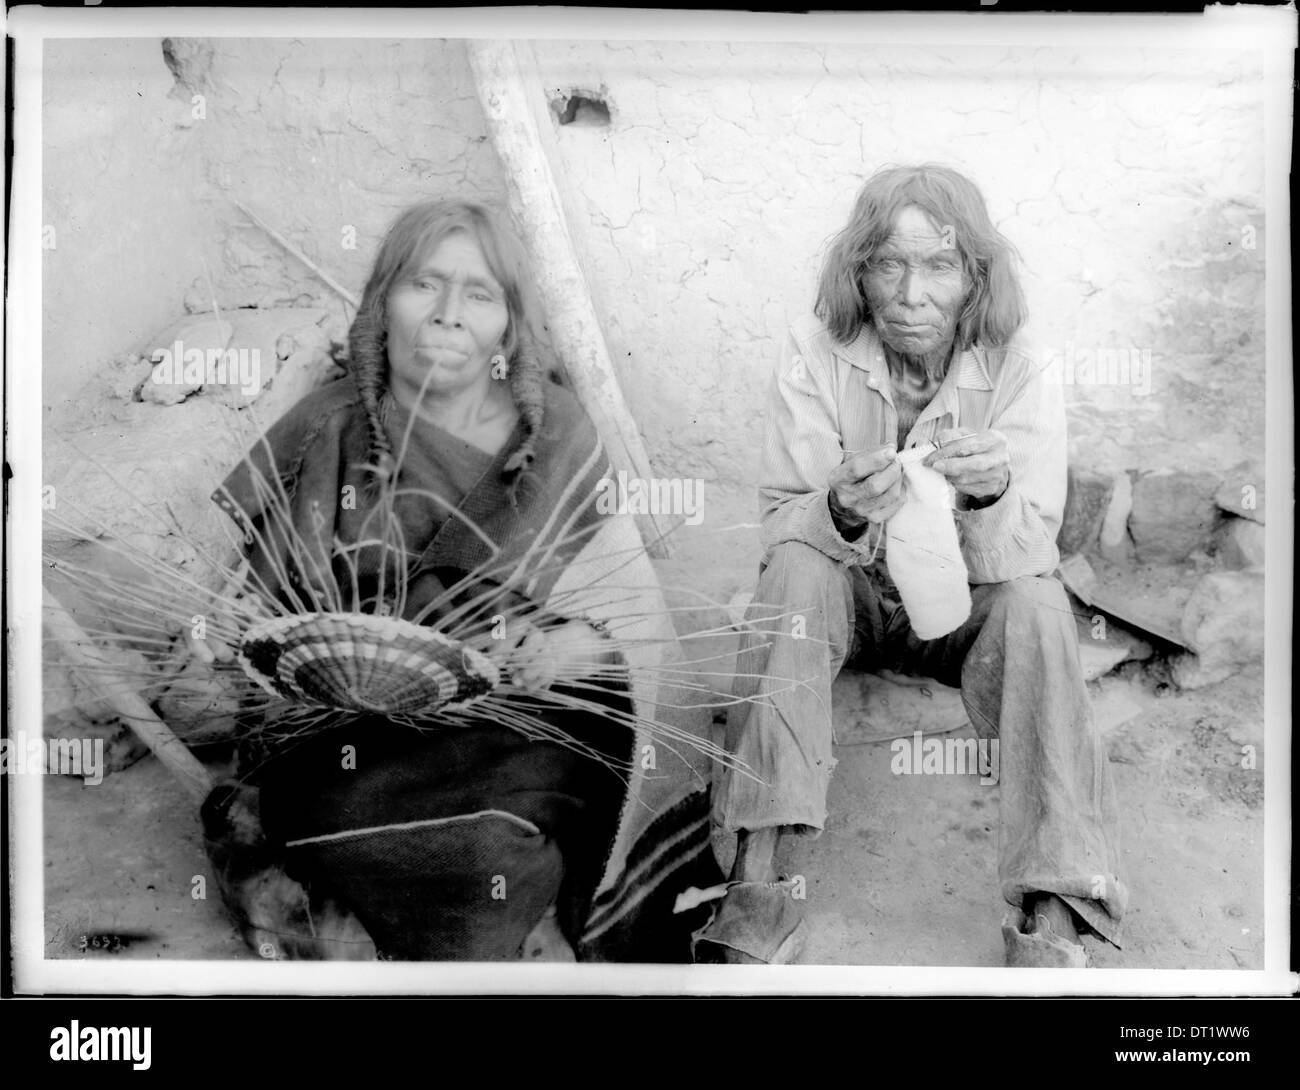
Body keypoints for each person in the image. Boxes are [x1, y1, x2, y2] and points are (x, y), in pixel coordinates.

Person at [197, 199, 722, 962]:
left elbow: (632, 622)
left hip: (521, 720)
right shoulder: (326, 429)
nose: (447, 315)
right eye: (423, 286)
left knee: (489, 846)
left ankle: (445, 908)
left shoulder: (559, 436)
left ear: (508, 325)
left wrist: (570, 651)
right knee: (352, 811)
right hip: (356, 736)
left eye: (479, 295)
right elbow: (256, 620)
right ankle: (409, 902)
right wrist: (272, 651)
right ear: (383, 305)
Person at [703, 165, 1127, 967]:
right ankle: (763, 874)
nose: (911, 293)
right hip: (851, 601)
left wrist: (993, 491)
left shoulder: (1021, 365)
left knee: (1038, 605)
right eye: (888, 264)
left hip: (962, 612)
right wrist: (841, 508)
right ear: (857, 271)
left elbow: (1033, 547)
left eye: (938, 265)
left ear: (974, 277)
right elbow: (780, 522)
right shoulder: (813, 350)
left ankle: (1056, 900)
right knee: (794, 570)